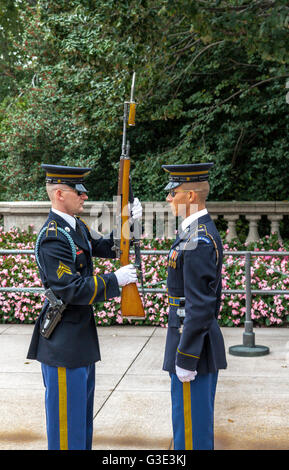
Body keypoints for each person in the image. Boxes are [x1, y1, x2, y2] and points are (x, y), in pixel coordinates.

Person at [27, 164, 142, 450]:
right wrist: (113, 280)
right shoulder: (54, 236)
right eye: (78, 191)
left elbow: (108, 247)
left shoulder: (74, 226)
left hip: (79, 340)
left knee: (80, 425)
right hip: (64, 343)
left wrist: (131, 223)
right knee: (67, 429)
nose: (84, 196)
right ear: (59, 194)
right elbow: (70, 290)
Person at [162, 162, 227, 450]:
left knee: (191, 436)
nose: (168, 199)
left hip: (193, 348)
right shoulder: (194, 232)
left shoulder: (198, 238)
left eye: (172, 193)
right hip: (192, 339)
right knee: (188, 427)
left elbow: (200, 305)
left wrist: (186, 357)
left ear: (190, 197)